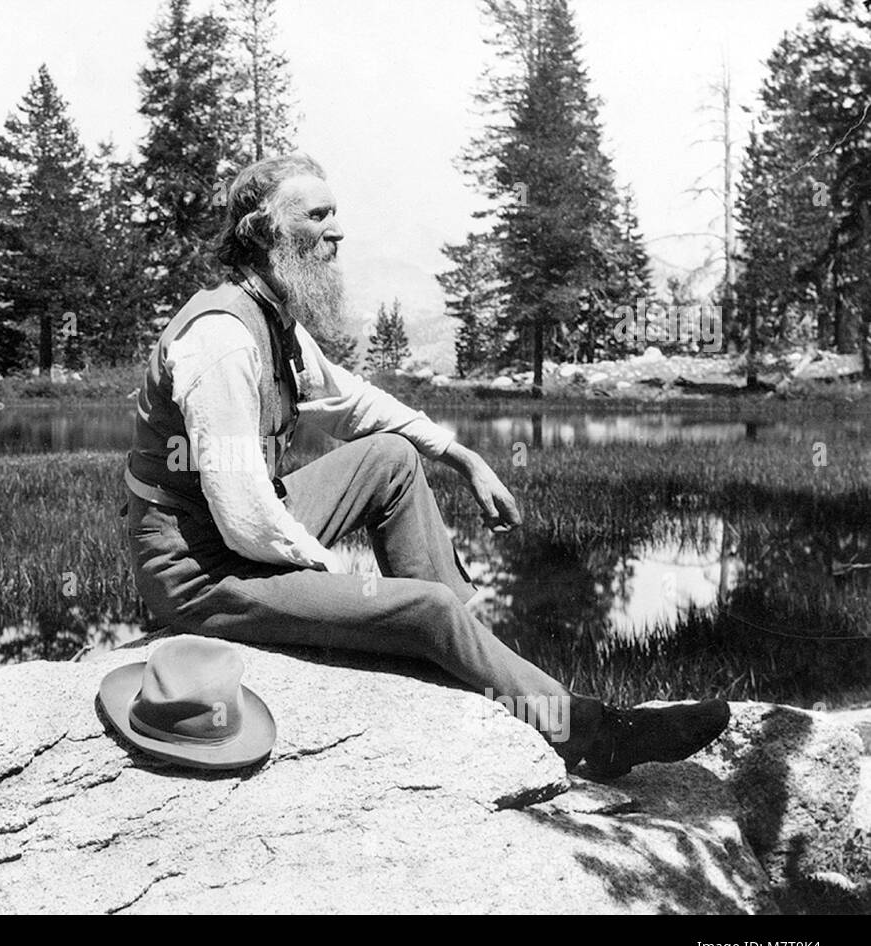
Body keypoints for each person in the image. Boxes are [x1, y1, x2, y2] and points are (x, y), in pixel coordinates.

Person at [120, 152, 728, 778]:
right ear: (265, 232)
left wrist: (460, 455)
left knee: (392, 458)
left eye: (337, 214)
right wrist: (346, 584)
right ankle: (594, 737)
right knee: (422, 609)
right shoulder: (221, 338)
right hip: (199, 573)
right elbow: (246, 515)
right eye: (319, 215)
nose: (338, 231)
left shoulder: (272, 317)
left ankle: (473, 656)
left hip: (238, 534)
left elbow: (351, 403)